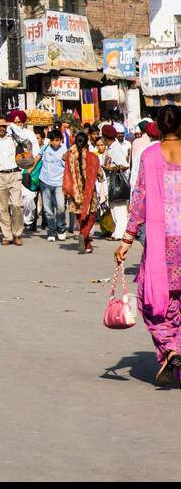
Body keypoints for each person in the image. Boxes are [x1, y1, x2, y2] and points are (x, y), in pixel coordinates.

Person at [116, 105, 181, 387]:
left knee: (151, 301)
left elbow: (139, 200)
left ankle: (171, 348)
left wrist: (127, 239)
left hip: (161, 243)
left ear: (157, 127)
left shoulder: (150, 155)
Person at [0, 114, 29, 246]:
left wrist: (11, 125)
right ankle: (7, 235)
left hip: (14, 174)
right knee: (3, 208)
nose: (1, 128)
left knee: (16, 205)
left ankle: (17, 233)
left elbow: (25, 138)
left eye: (3, 125)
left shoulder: (14, 138)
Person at [63, 131, 100, 255]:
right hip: (89, 192)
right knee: (91, 216)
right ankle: (84, 235)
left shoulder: (69, 156)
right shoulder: (92, 157)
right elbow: (99, 174)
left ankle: (87, 244)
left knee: (80, 219)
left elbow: (64, 162)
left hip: (75, 192)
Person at [36, 128, 68, 243]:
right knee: (48, 209)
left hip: (59, 183)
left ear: (61, 140)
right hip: (45, 182)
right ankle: (51, 231)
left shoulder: (65, 150)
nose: (56, 143)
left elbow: (68, 167)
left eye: (58, 140)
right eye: (53, 140)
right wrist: (29, 171)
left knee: (60, 207)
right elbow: (37, 158)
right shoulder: (45, 148)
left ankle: (61, 228)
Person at [102, 124, 131, 240]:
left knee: (119, 209)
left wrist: (110, 169)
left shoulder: (115, 149)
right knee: (114, 207)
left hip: (118, 183)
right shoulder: (111, 148)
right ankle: (116, 232)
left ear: (105, 137)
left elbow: (124, 166)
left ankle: (120, 234)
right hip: (112, 182)